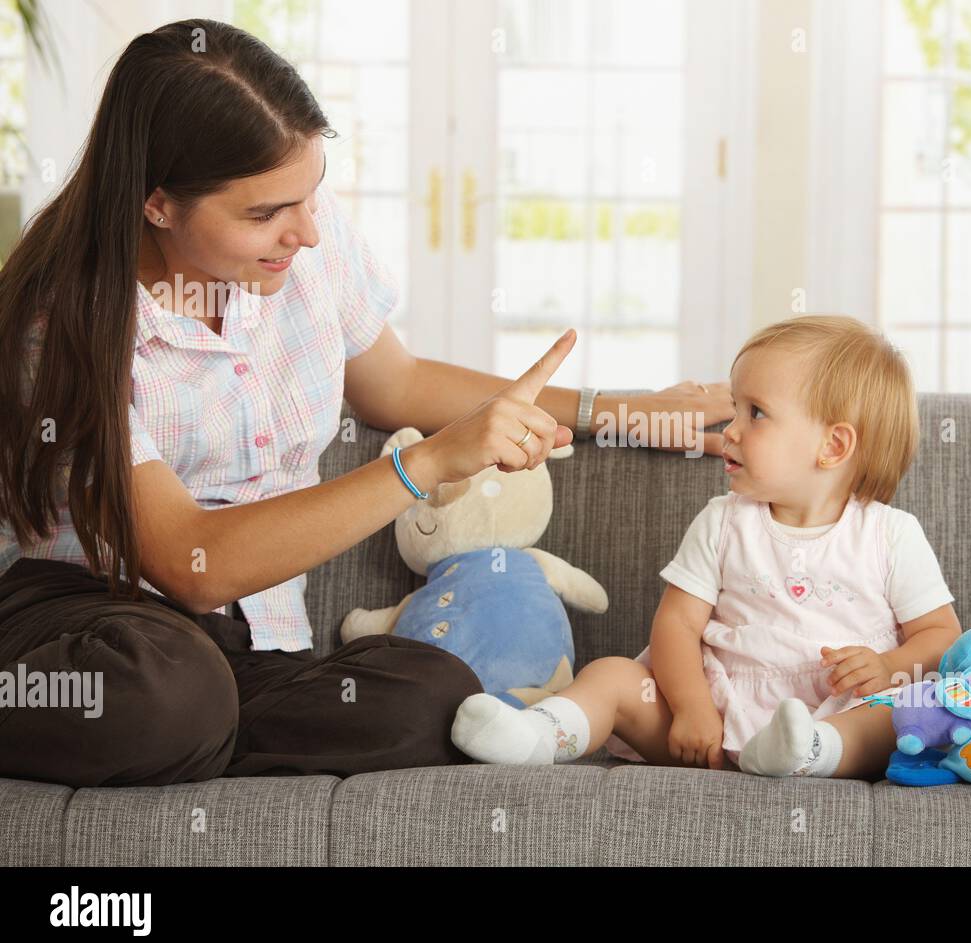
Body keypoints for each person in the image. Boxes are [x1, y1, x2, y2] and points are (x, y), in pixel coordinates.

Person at [0, 19, 730, 788]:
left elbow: (398, 382)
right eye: (265, 214)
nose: (308, 232)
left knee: (436, 697)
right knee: (164, 690)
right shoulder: (62, 330)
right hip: (91, 626)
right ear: (157, 205)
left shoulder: (301, 242)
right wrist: (424, 465)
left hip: (245, 650)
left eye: (312, 193)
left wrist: (618, 408)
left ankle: (195, 733)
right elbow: (195, 564)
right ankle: (176, 722)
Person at [451, 314, 963, 781]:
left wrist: (889, 665)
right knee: (612, 676)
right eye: (736, 409)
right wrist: (693, 708)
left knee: (899, 714)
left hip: (837, 712)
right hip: (714, 723)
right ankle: (537, 733)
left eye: (756, 413)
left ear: (832, 446)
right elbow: (677, 625)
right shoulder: (723, 522)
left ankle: (810, 751)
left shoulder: (890, 535)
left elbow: (941, 636)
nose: (731, 430)